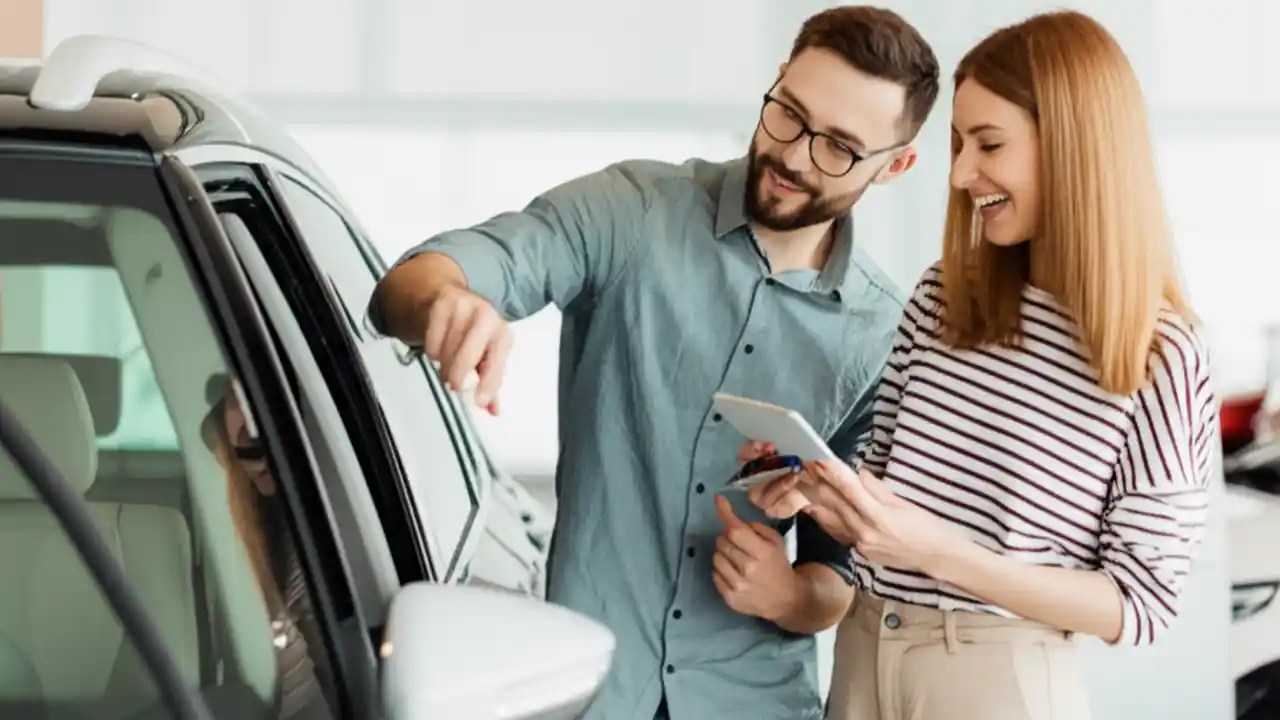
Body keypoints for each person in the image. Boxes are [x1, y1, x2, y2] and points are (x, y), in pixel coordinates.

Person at [368, 7, 940, 718]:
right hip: (591, 689)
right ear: (775, 82)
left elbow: (841, 569)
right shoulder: (632, 210)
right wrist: (450, 303)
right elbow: (412, 282)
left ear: (897, 166)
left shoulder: (884, 337)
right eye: (788, 114)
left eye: (839, 149)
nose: (795, 156)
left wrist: (791, 598)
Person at [748, 10, 1217, 719]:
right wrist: (823, 495)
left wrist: (940, 554)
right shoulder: (943, 295)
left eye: (988, 144)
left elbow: (1141, 603)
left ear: (1076, 147)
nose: (962, 173)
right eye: (958, 143)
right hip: (864, 648)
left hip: (996, 676)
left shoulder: (1162, 351)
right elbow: (889, 502)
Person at [201, 375, 337, 720]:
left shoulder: (326, 541)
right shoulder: (226, 516)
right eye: (235, 396)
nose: (249, 429)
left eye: (266, 393)